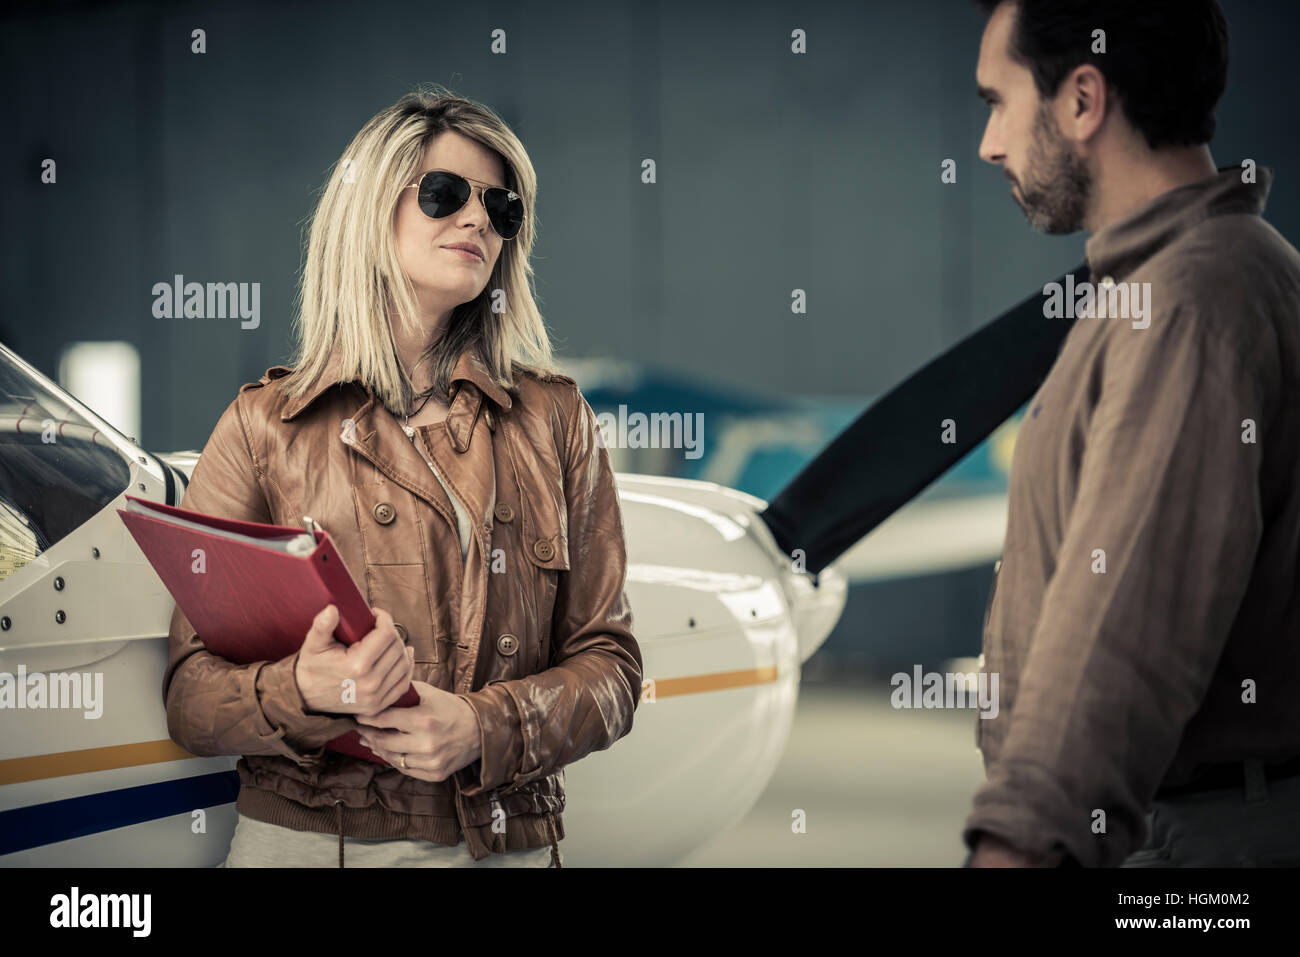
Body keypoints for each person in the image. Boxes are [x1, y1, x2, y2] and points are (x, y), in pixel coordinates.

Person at [163, 86, 643, 867]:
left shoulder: (557, 419)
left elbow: (613, 666)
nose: (479, 219)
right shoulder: (262, 427)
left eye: (503, 207)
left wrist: (487, 727)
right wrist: (307, 689)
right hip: (315, 846)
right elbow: (190, 696)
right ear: (368, 212)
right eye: (445, 194)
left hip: (504, 845)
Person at [963, 0, 1300, 867]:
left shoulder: (1185, 307)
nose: (987, 146)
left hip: (1192, 852)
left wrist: (1014, 847)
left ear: (1082, 100)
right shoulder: (1199, 279)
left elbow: (1113, 656)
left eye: (998, 103)